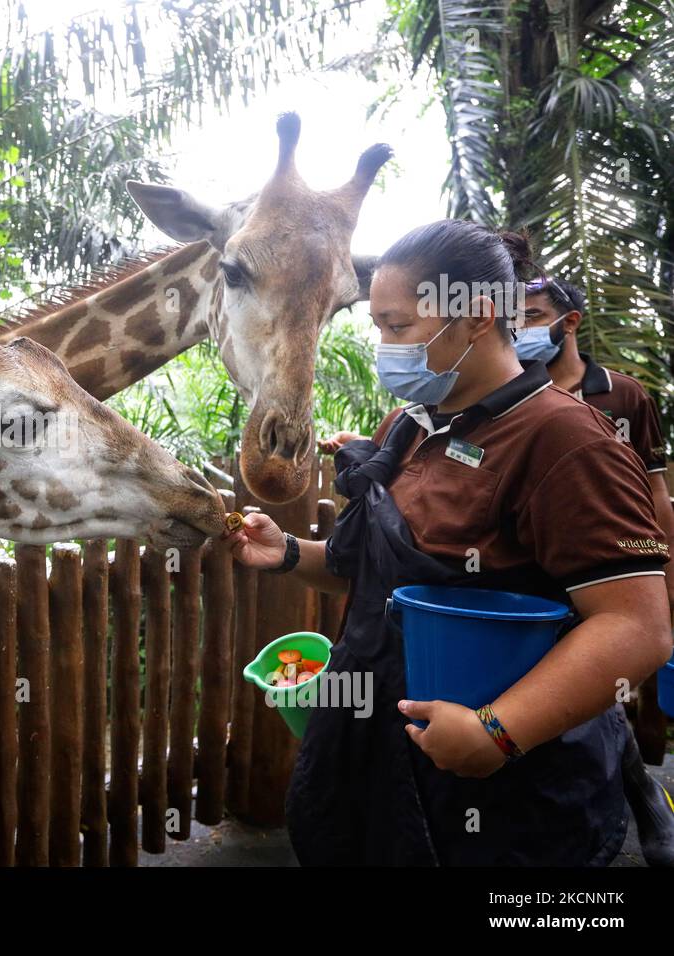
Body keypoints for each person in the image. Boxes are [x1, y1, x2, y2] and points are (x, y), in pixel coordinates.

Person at [227, 220, 672, 865]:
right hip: (375, 757)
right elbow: (376, 575)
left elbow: (636, 627)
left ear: (475, 317)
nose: (384, 346)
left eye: (399, 326)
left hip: (507, 784)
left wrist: (497, 732)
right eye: (377, 325)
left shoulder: (566, 443)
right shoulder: (407, 429)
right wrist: (290, 554)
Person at [514, 276, 674, 864]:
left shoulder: (624, 396)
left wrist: (666, 575)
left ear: (570, 322)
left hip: (612, 566)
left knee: (598, 689)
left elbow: (656, 493)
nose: (520, 329)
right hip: (537, 569)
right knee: (568, 690)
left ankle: (634, 802)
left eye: (532, 315)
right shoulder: (512, 392)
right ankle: (636, 798)